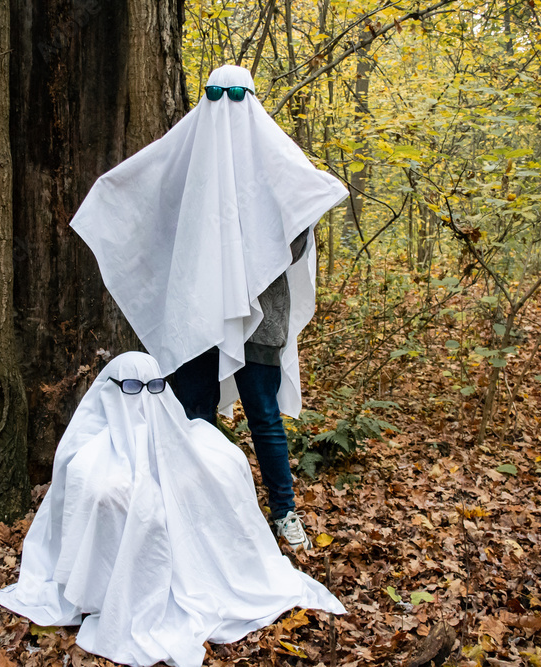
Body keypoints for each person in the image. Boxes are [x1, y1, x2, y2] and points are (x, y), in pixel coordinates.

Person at [70, 65, 348, 552]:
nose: (228, 108)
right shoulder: (186, 163)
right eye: (217, 97)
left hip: (261, 315)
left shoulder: (277, 161)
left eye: (238, 97)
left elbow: (301, 236)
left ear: (253, 103)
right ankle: (199, 509)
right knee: (194, 412)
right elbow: (153, 214)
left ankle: (284, 512)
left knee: (263, 414)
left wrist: (261, 246)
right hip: (196, 311)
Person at [0, 352, 345, 667]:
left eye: (155, 386)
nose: (144, 399)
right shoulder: (87, 459)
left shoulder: (201, 445)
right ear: (111, 389)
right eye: (131, 387)